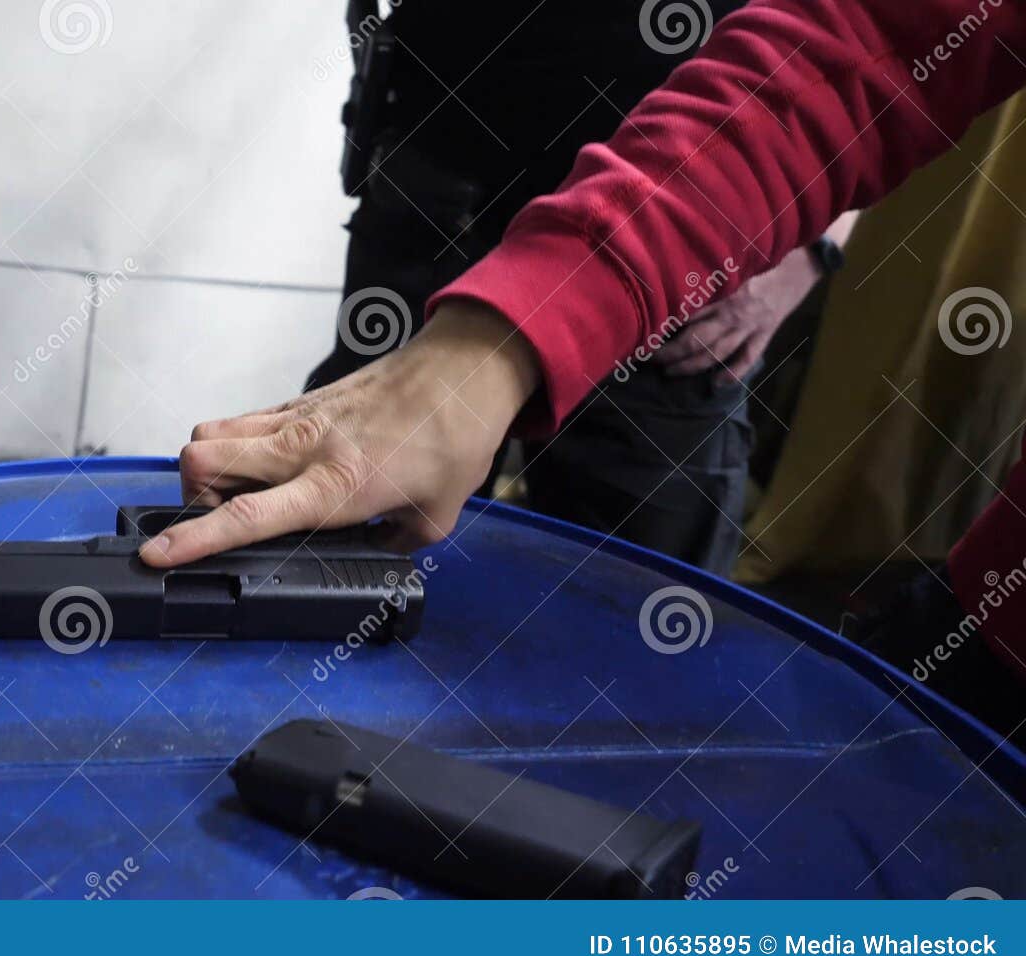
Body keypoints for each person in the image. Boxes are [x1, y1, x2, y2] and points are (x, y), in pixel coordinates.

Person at [141, 0, 1026, 720]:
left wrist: (811, 243)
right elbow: (870, 36)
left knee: (635, 655)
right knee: (311, 583)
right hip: (438, 165)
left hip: (693, 260)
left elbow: (874, 48)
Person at [306, 0, 854, 575]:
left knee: (639, 609)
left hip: (679, 251)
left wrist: (813, 249)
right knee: (344, 566)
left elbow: (879, 45)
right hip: (438, 191)